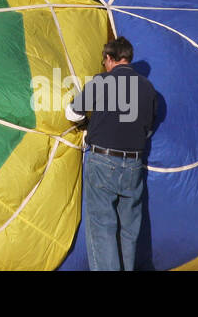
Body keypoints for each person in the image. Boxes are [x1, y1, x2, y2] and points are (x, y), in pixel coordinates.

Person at [65, 36, 157, 270]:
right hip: (134, 164)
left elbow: (72, 113)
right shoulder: (147, 87)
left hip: (103, 160)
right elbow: (148, 129)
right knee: (129, 231)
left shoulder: (101, 81)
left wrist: (89, 124)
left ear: (109, 58)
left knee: (102, 229)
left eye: (104, 60)